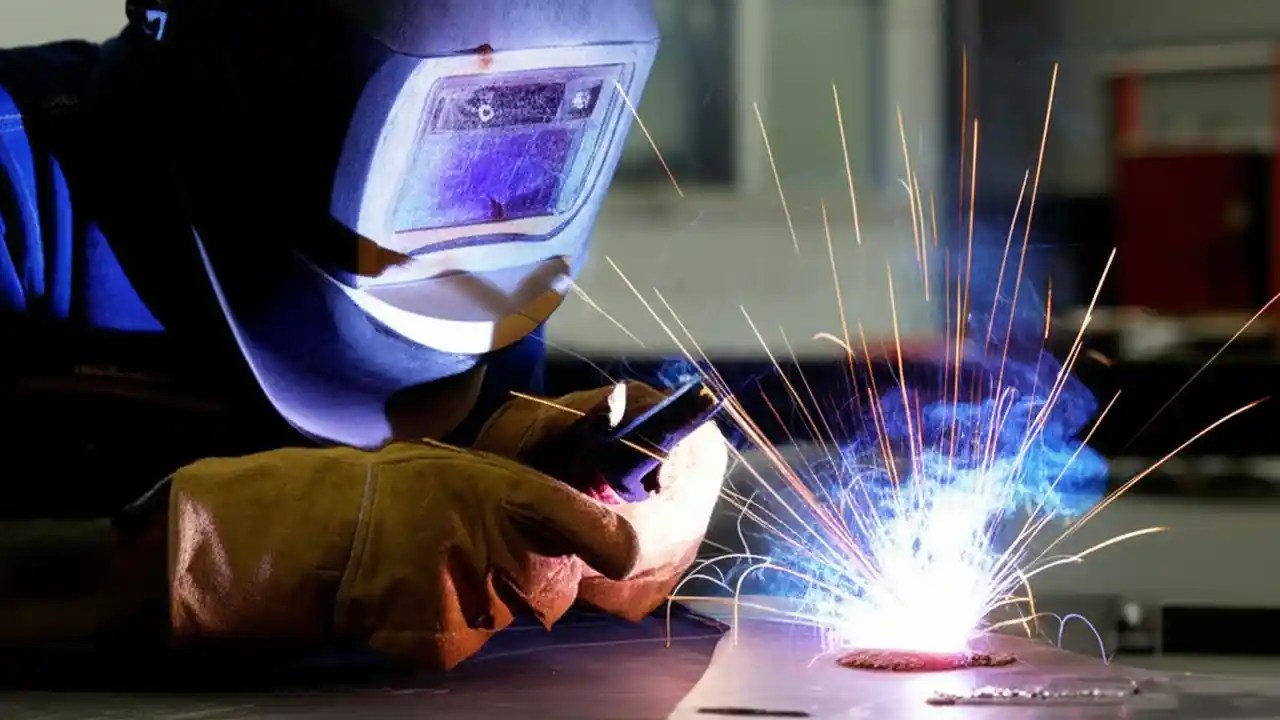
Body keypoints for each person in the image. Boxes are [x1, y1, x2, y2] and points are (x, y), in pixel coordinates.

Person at [0, 0, 730, 670]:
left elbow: (463, 483)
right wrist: (231, 557)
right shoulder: (20, 179)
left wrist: (567, 490)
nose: (483, 187)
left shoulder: (485, 257)